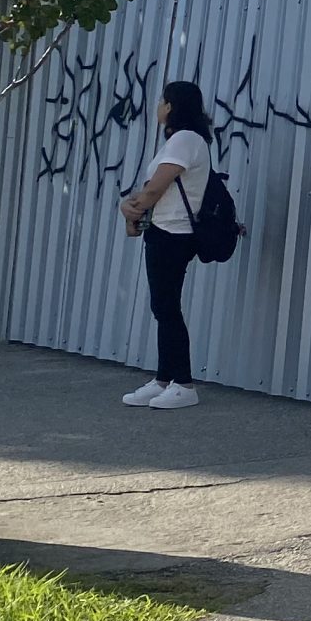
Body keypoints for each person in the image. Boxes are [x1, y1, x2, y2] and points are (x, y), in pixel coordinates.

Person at [118, 80, 215, 409]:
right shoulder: (182, 140)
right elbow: (153, 189)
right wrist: (131, 207)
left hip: (173, 233)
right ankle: (164, 378)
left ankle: (184, 384)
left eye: (163, 100)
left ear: (173, 106)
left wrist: (134, 207)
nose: (158, 106)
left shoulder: (185, 139)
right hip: (164, 230)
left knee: (167, 307)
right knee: (162, 307)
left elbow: (157, 187)